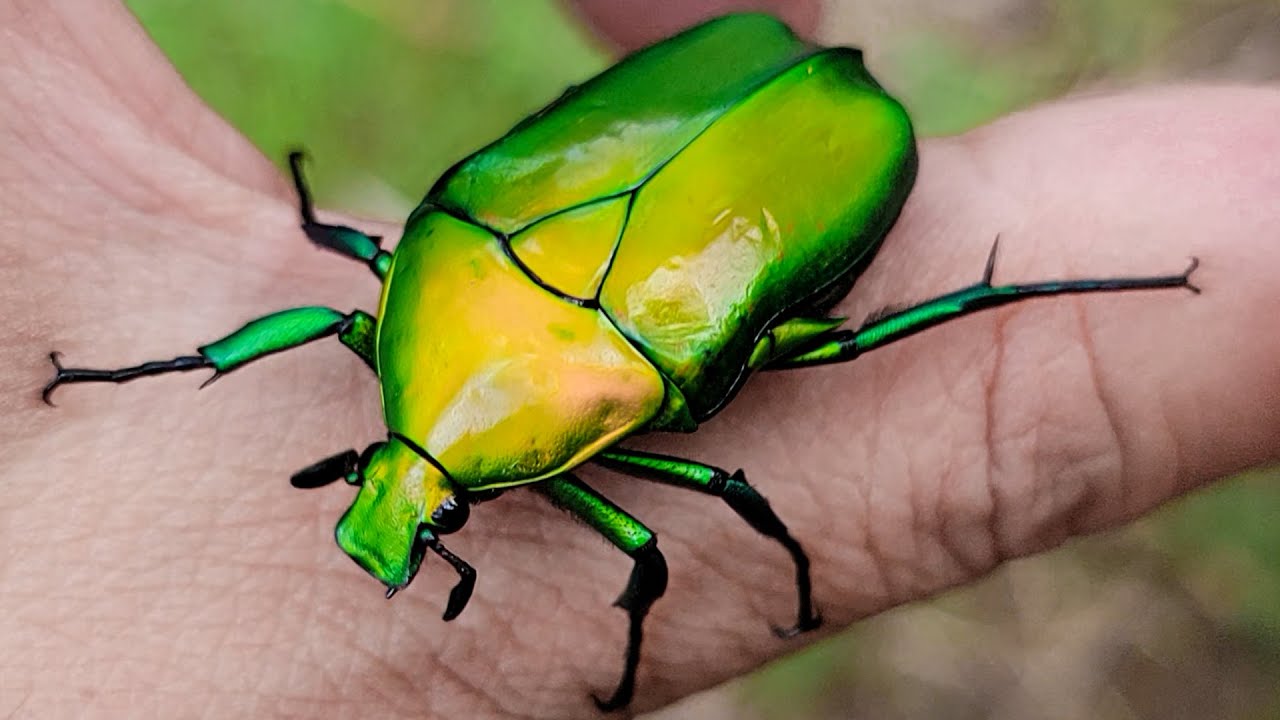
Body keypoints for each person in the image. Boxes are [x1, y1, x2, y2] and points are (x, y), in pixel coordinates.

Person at [1, 1, 1276, 717]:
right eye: (428, 493)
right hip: (705, 149)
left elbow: (673, 532)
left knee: (815, 370)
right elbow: (345, 250)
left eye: (405, 482)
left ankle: (1025, 292)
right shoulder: (422, 294)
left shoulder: (438, 319)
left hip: (792, 151)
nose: (404, 491)